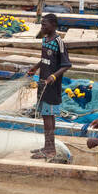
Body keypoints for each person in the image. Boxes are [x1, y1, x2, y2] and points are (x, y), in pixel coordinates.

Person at [28, 13, 71, 161]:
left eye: (44, 25)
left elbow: (66, 65)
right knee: (45, 115)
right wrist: (35, 67)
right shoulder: (45, 40)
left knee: (48, 116)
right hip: (42, 83)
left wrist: (53, 76)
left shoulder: (59, 42)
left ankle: (50, 150)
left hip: (52, 86)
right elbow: (44, 59)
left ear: (53, 25)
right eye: (41, 25)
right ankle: (47, 146)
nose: (42, 27)